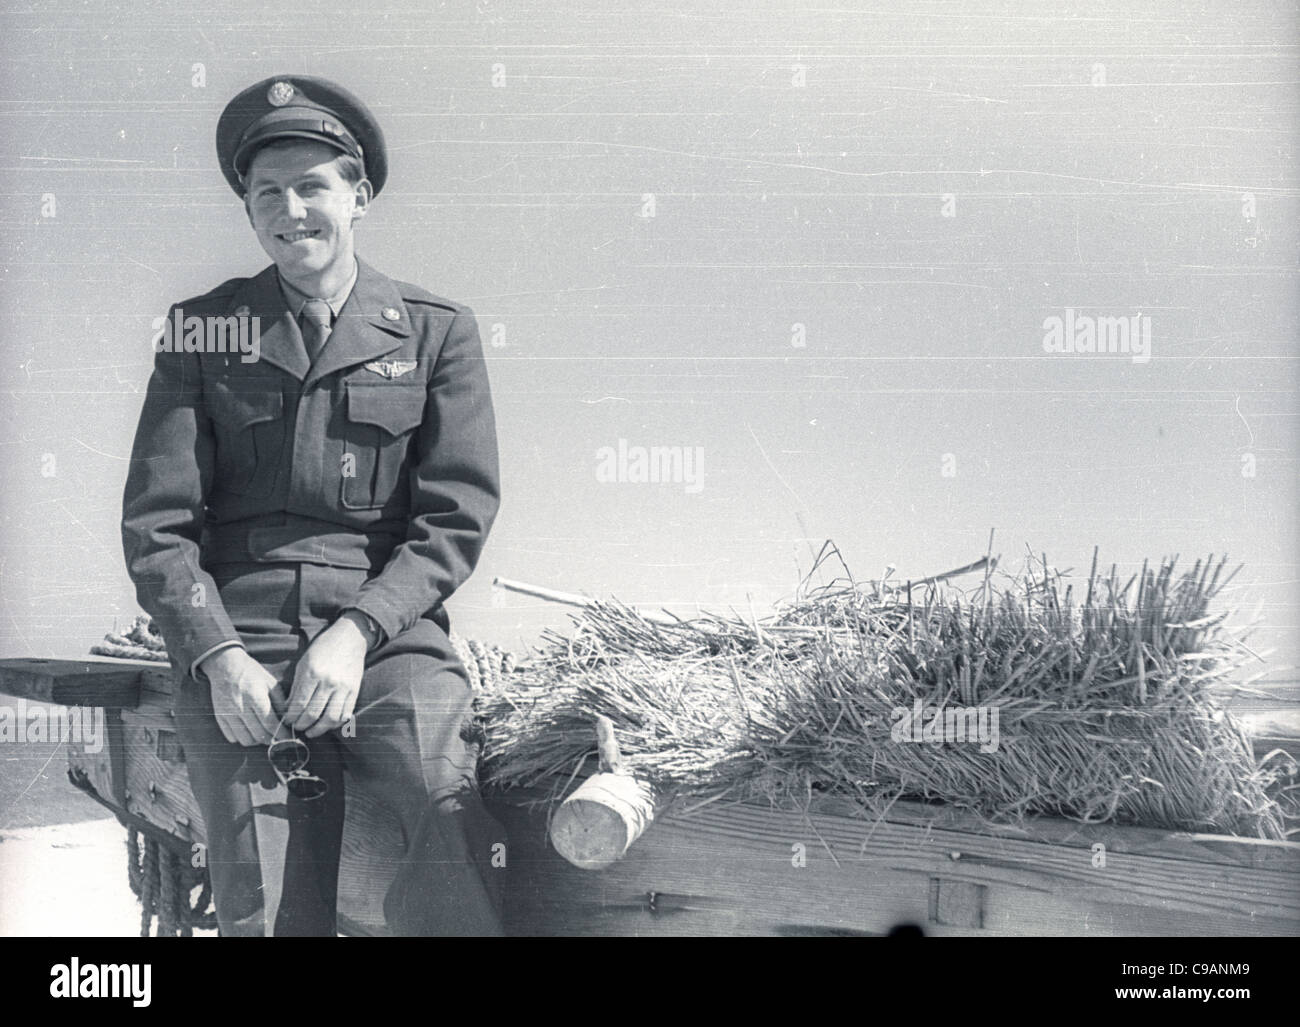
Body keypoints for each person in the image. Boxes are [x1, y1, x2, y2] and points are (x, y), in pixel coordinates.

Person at [121, 74, 505, 936]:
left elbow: (454, 517)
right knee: (257, 894)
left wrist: (358, 631)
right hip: (240, 626)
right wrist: (217, 656)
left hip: (391, 634)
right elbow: (159, 524)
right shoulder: (201, 329)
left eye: (312, 186)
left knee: (448, 810)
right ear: (249, 210)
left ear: (358, 196)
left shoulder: (437, 330)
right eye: (267, 194)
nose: (290, 210)